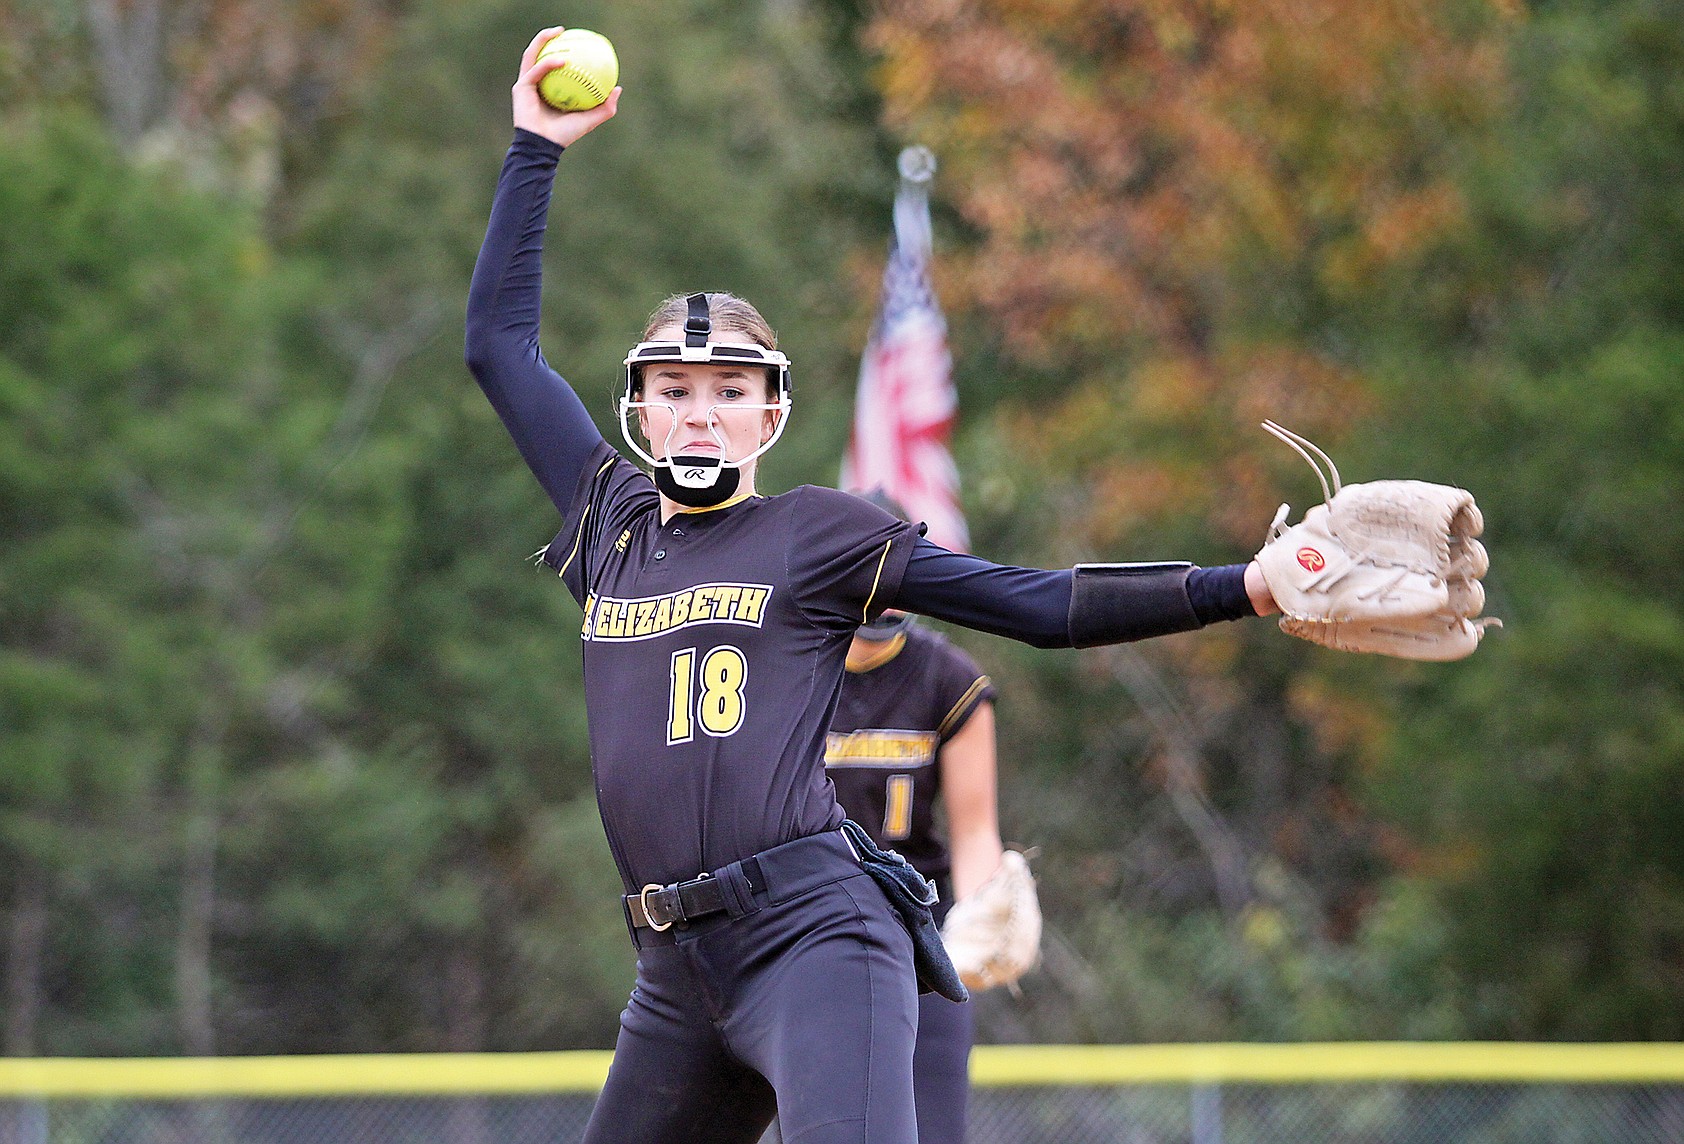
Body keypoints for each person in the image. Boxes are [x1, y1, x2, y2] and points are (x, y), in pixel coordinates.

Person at [465, 28, 1276, 1144]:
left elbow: (1033, 604)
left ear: (770, 413)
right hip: (672, 968)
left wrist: (1247, 584)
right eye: (676, 387)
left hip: (815, 936)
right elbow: (498, 347)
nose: (701, 409)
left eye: (729, 388)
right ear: (640, 409)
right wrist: (533, 149)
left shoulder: (814, 534)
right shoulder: (612, 526)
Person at [823, 494, 1005, 1143]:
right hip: (803, 930)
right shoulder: (782, 670)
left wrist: (981, 915)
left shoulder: (946, 677)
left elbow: (974, 828)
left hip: (915, 933)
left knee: (932, 1129)